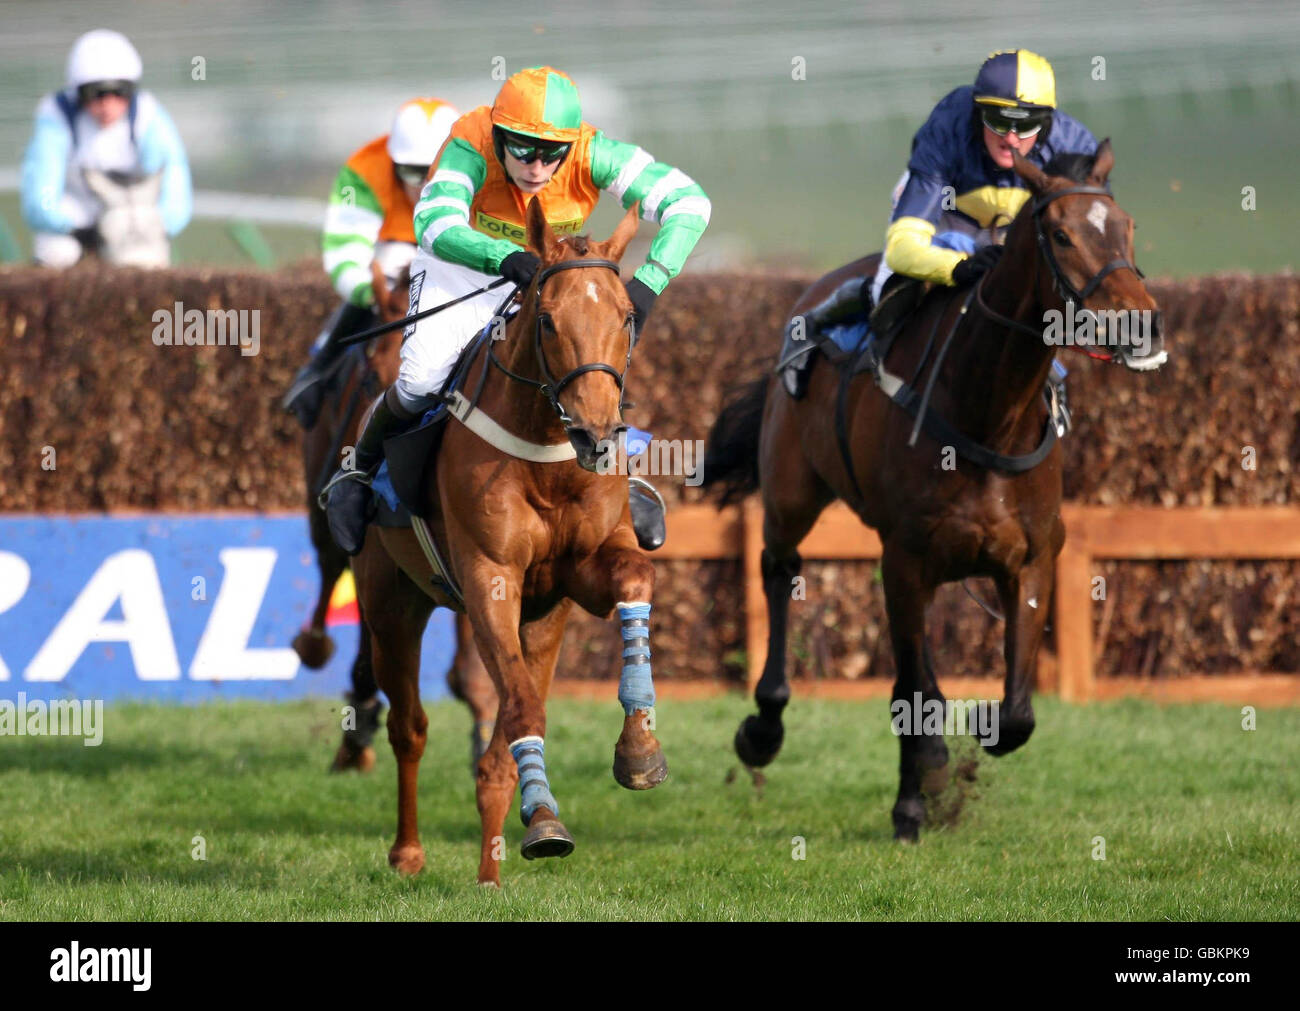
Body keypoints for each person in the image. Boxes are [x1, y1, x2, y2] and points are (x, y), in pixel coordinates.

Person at [323, 66, 711, 556]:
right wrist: (501, 257)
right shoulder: (470, 142)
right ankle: (357, 470)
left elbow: (689, 203)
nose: (537, 166)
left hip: (545, 273)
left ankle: (622, 483)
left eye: (552, 154)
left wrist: (650, 284)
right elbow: (434, 222)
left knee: (584, 361)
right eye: (523, 148)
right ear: (499, 134)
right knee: (421, 379)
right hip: (459, 266)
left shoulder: (596, 153)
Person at [804, 49, 1098, 333]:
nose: (1010, 139)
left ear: (1046, 123)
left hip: (1016, 225)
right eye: (998, 121)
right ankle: (819, 328)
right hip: (946, 215)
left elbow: (1095, 246)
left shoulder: (1076, 150)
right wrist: (958, 267)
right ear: (978, 114)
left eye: (1026, 125)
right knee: (891, 294)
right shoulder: (948, 130)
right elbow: (902, 249)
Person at [282, 97, 459, 429]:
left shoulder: (484, 171)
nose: (422, 185)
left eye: (433, 172)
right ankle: (315, 373)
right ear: (393, 163)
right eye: (411, 172)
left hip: (453, 255)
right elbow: (345, 253)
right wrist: (373, 292)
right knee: (388, 267)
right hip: (391, 260)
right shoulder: (363, 173)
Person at [20, 29, 192, 267]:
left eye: (119, 92)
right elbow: (42, 194)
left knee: (145, 258)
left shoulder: (147, 115)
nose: (107, 104)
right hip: (76, 217)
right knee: (57, 251)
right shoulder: (57, 116)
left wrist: (161, 224)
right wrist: (72, 229)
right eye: (95, 94)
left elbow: (173, 181)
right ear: (78, 93)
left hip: (131, 212)